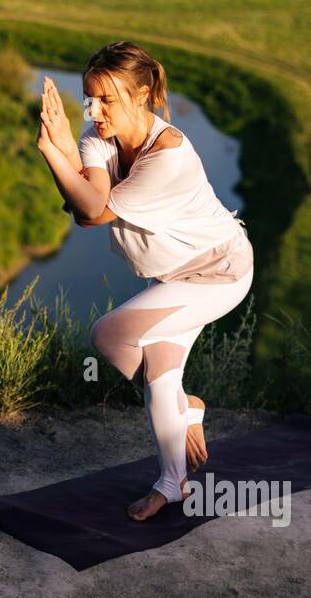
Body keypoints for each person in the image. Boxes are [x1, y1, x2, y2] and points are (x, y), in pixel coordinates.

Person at [36, 41, 254, 521]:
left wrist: (53, 150)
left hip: (218, 272)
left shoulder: (169, 157)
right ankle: (172, 481)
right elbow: (86, 199)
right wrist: (70, 155)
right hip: (175, 275)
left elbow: (93, 213)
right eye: (88, 97)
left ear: (142, 96)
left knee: (111, 334)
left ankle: (186, 404)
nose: (93, 110)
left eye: (106, 99)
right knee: (159, 372)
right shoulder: (100, 138)